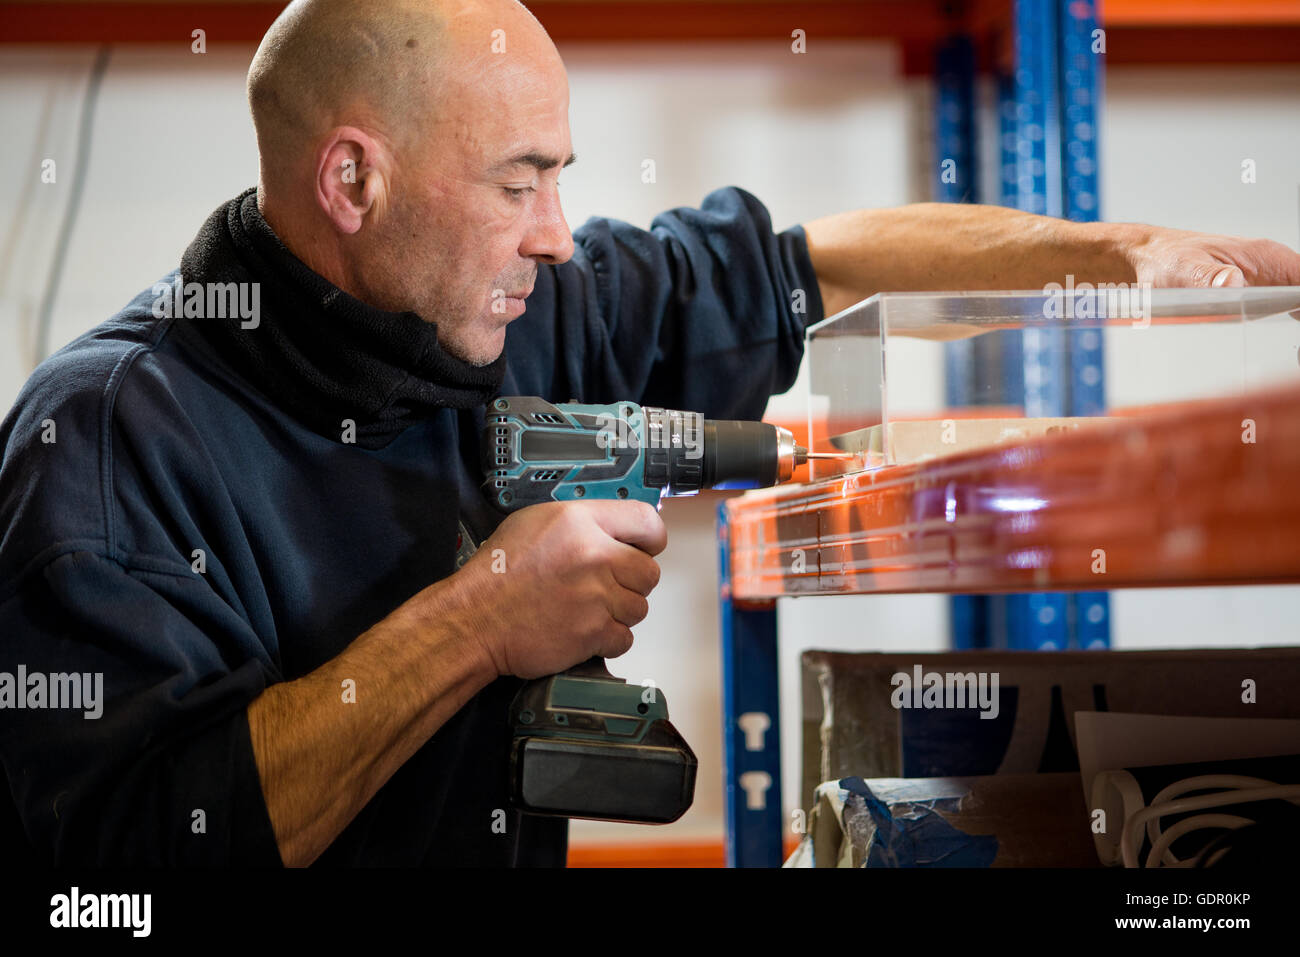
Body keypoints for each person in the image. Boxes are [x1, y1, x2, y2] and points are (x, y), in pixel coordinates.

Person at [1, 0, 1296, 868]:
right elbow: (127, 868)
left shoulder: (521, 308)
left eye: (561, 176)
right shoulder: (106, 451)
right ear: (352, 181)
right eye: (521, 181)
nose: (558, 232)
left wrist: (1120, 250)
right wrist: (479, 621)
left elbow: (813, 265)